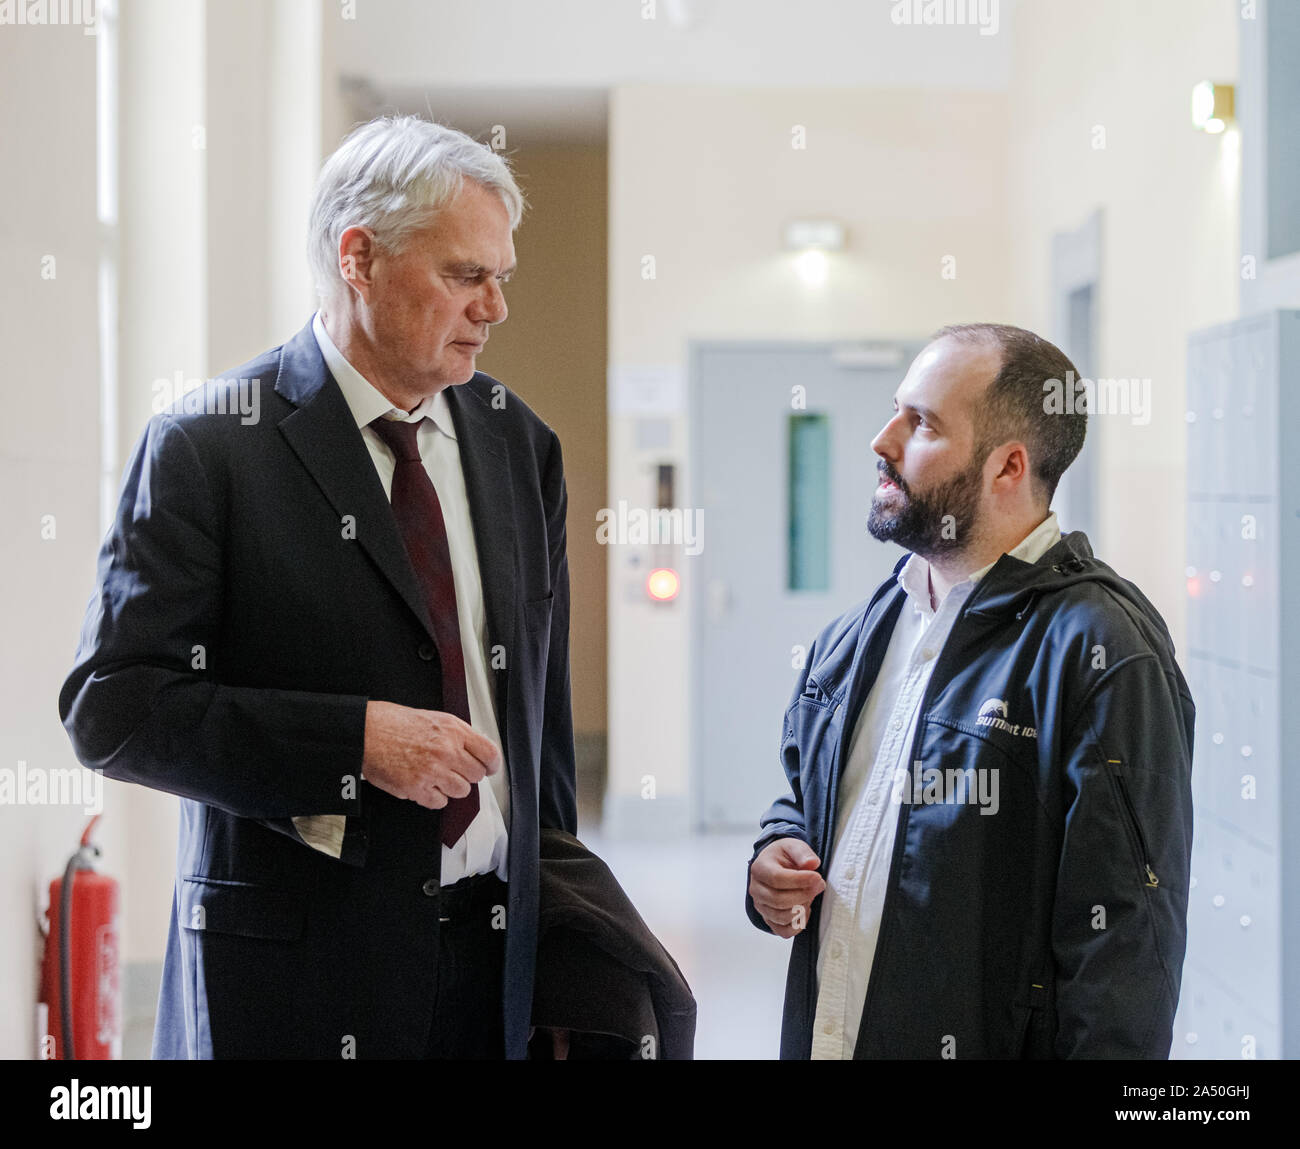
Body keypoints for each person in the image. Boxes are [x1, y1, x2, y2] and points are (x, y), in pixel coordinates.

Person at [59, 115, 578, 1059]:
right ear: (359, 256)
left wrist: (567, 956)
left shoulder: (518, 445)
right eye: (466, 275)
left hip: (493, 972)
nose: (494, 307)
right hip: (291, 978)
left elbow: (541, 726)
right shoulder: (210, 445)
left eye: (501, 277)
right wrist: (352, 741)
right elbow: (114, 707)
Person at [745, 323, 1194, 1059]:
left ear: (1008, 466)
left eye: (920, 422)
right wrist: (777, 850)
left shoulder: (1103, 652)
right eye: (897, 409)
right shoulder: (863, 629)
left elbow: (1123, 958)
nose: (882, 439)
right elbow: (810, 793)